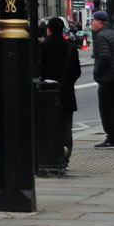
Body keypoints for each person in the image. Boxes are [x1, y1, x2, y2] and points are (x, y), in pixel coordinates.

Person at [39, 17, 82, 170]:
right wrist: (67, 83)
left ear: (48, 30)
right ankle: (64, 158)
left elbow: (37, 70)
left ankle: (48, 157)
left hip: (45, 94)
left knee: (46, 126)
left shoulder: (42, 47)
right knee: (66, 128)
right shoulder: (70, 47)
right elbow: (77, 71)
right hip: (66, 93)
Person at [90, 10, 114, 147]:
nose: (91, 23)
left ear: (100, 22)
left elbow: (105, 56)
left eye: (92, 20)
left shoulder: (101, 36)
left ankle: (111, 138)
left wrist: (97, 72)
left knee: (106, 109)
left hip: (107, 78)